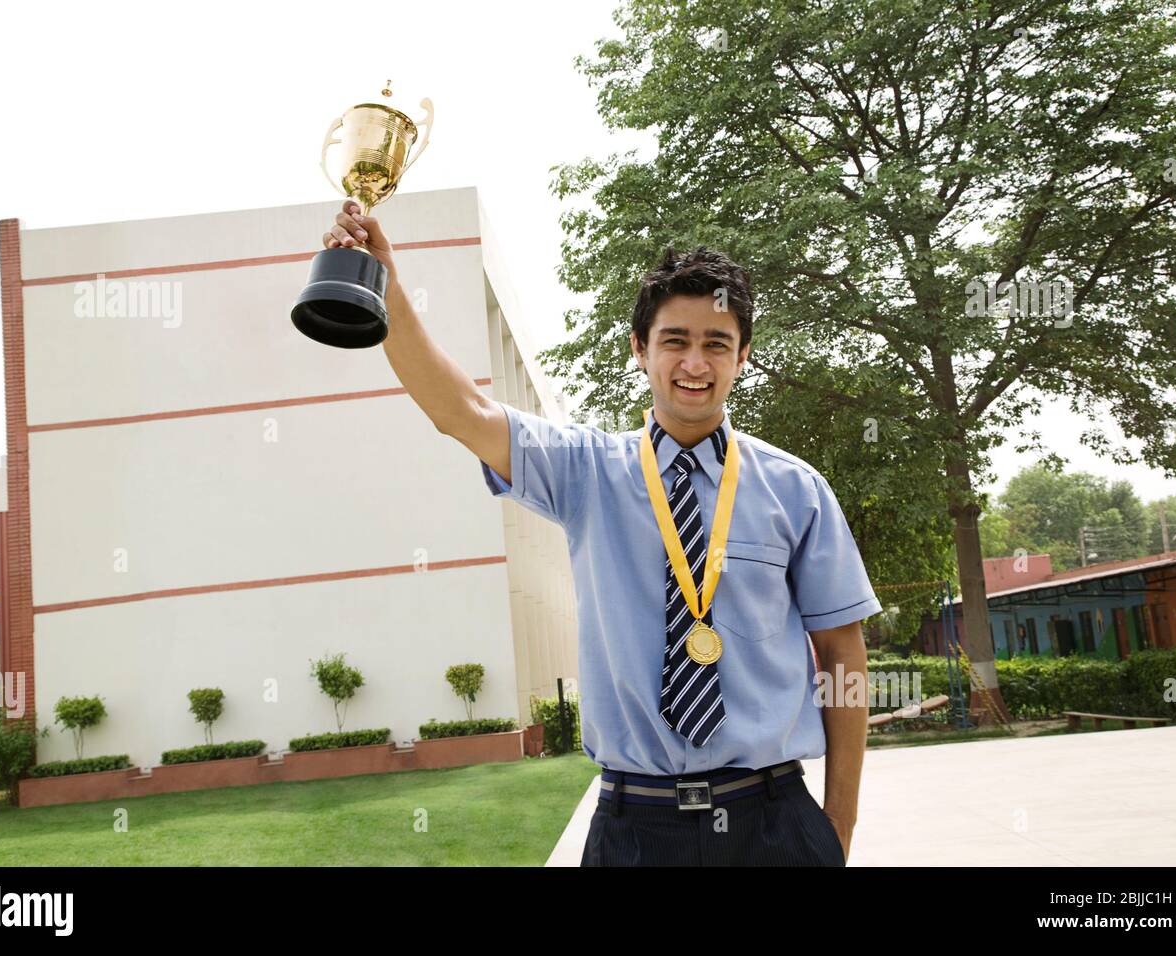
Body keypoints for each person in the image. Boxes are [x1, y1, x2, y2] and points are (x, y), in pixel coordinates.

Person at [322, 200, 881, 866]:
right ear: (640, 349)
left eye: (716, 343)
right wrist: (381, 282)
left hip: (773, 823)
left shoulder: (796, 491)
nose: (694, 363)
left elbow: (842, 652)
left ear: (743, 356)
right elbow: (459, 410)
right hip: (634, 831)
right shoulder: (585, 472)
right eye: (675, 340)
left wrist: (836, 832)